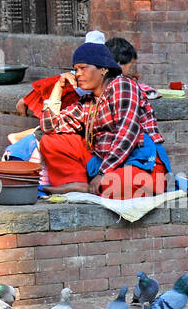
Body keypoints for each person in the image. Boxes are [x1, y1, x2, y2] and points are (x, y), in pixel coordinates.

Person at [37, 40, 172, 199]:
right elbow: (50, 126)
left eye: (83, 68)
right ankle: (75, 182)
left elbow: (128, 134)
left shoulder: (122, 86)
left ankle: (93, 186)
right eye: (75, 69)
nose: (78, 74)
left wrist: (103, 173)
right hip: (104, 163)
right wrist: (58, 87)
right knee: (51, 140)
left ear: (103, 69)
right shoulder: (88, 102)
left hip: (141, 164)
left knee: (114, 185)